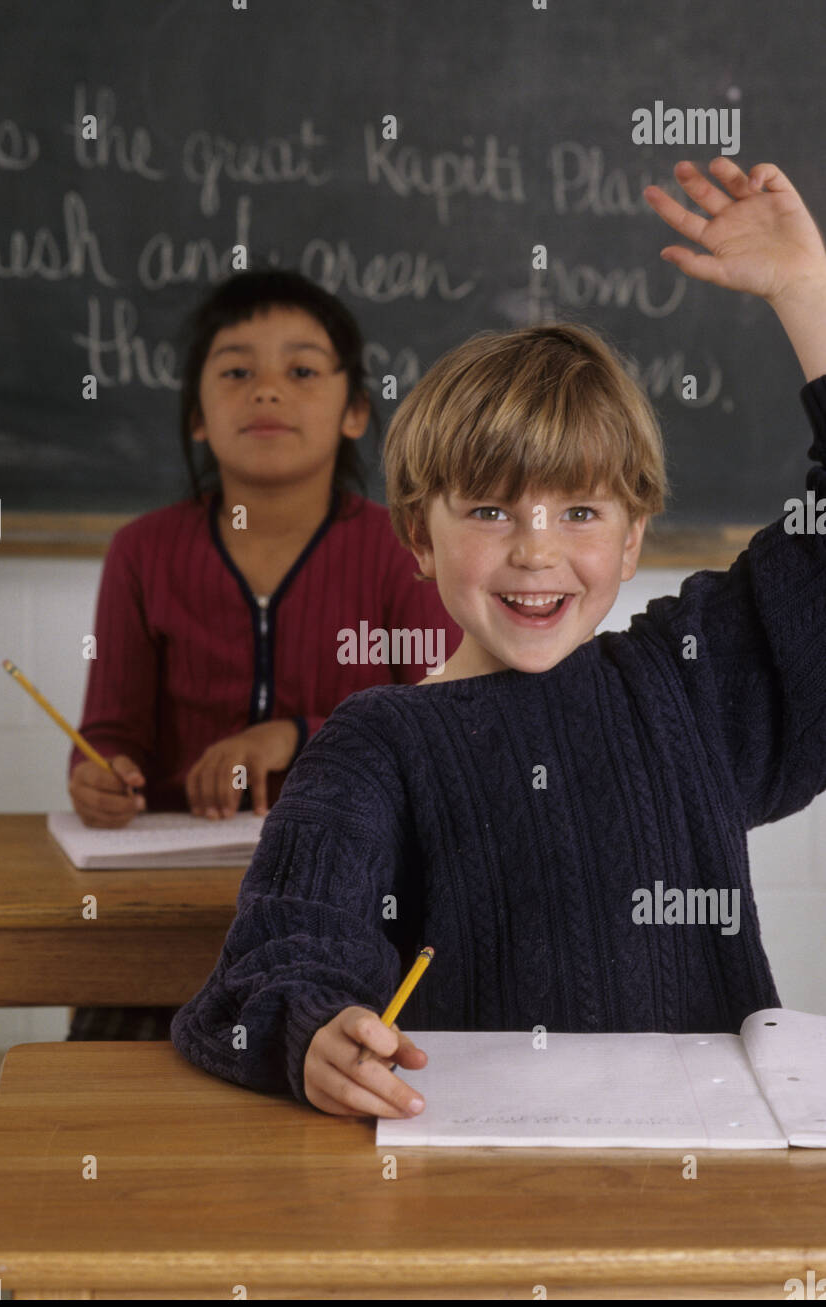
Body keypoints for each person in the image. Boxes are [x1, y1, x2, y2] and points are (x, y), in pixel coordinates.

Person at [170, 158, 826, 1119]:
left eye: (581, 512)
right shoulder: (375, 745)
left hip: (697, 1212)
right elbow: (279, 961)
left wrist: (808, 294)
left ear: (635, 533)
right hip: (474, 1202)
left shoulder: (688, 684)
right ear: (417, 538)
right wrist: (314, 1034)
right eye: (486, 508)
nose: (534, 551)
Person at [65, 268, 461, 1041]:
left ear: (353, 411)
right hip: (170, 912)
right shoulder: (142, 553)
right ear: (198, 419)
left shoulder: (404, 548)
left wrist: (299, 736)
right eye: (237, 371)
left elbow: (443, 730)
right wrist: (99, 775)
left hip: (352, 899)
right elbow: (110, 735)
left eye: (302, 370)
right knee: (120, 1096)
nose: (268, 391)